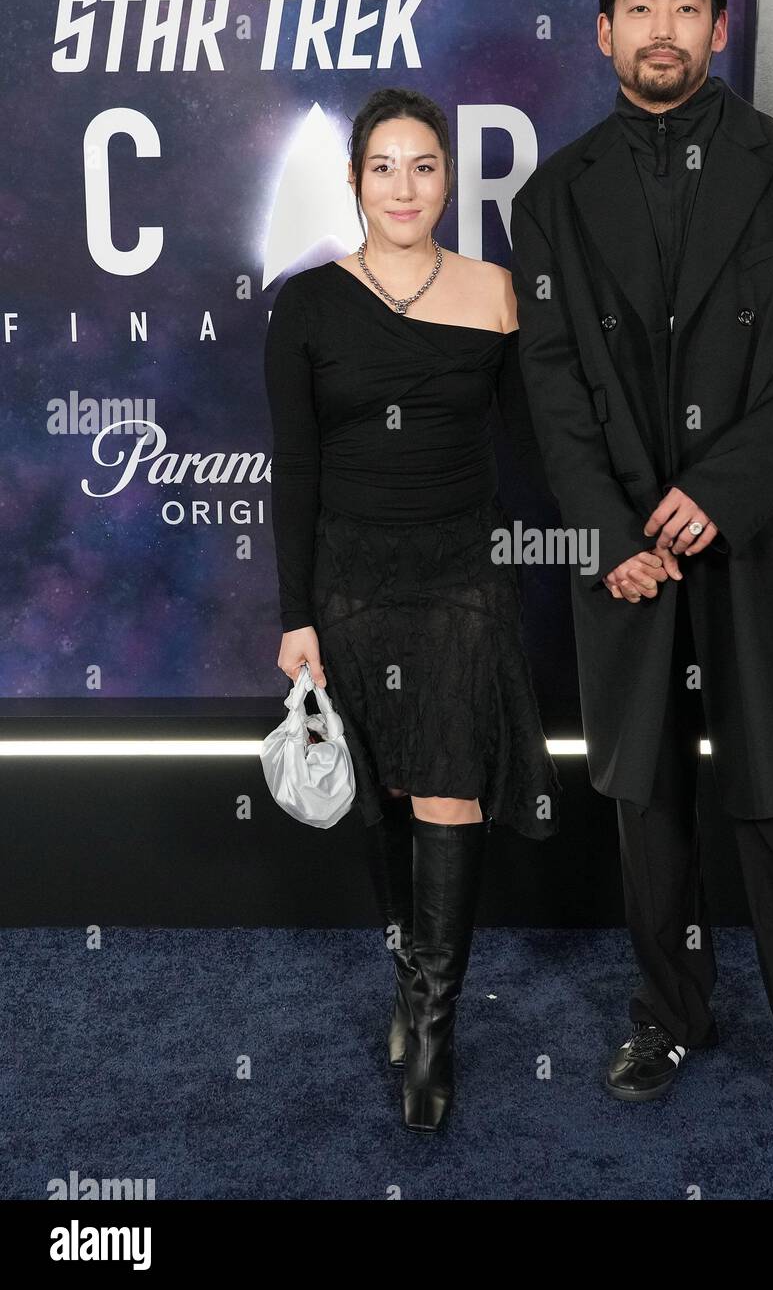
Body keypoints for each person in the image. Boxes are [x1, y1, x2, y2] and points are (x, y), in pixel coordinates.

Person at [510, 0, 773, 1152]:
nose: (661, 31)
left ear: (719, 27)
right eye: (638, 9)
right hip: (626, 542)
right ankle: (666, 1012)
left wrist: (717, 491)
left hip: (761, 534)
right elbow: (552, 376)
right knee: (646, 794)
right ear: (602, 31)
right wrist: (612, 526)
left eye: (686, 9)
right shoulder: (549, 201)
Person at [263, 87, 560, 1135]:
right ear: (354, 182)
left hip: (458, 582)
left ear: (449, 177)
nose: (404, 185)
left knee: (448, 787)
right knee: (381, 798)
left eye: (423, 165)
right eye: (383, 166)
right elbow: (292, 470)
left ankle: (432, 1028)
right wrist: (296, 612)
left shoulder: (495, 293)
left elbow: (539, 450)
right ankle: (406, 972)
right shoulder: (305, 305)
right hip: (348, 581)